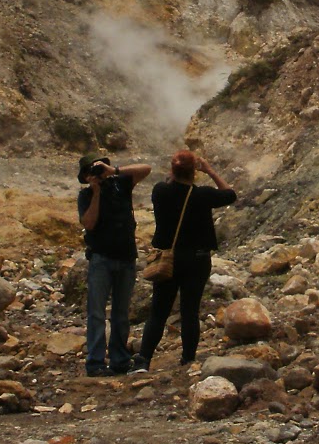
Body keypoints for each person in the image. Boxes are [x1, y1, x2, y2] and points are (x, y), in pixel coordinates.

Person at [134, 151, 236, 372]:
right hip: (198, 259)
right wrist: (209, 170)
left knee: (159, 311)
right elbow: (230, 194)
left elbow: (169, 182)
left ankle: (143, 360)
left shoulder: (159, 191)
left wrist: (174, 172)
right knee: (190, 310)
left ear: (172, 170)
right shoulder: (202, 195)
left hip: (168, 258)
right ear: (194, 172)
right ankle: (188, 359)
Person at [76, 151, 151, 377]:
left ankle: (120, 359)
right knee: (96, 313)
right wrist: (97, 193)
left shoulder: (121, 184)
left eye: (99, 168)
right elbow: (89, 224)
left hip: (126, 256)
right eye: (93, 171)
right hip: (101, 258)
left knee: (121, 313)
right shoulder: (86, 196)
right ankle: (96, 362)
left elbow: (146, 169)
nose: (98, 174)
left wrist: (114, 171)